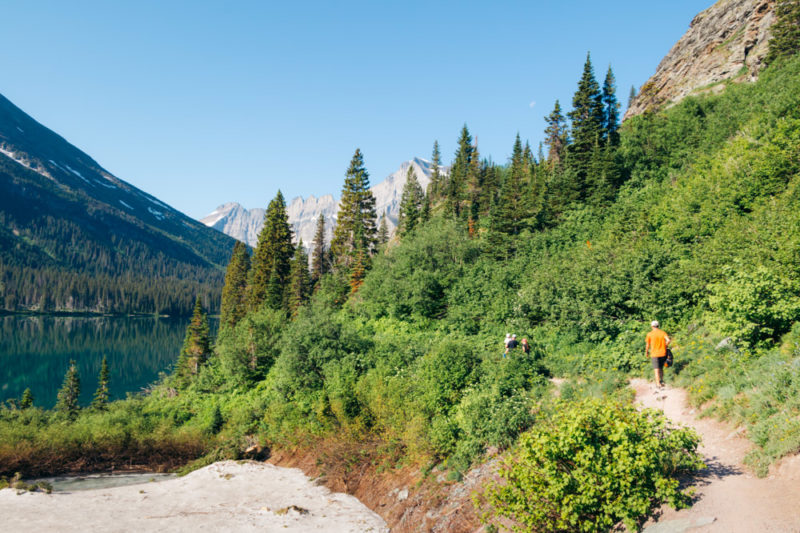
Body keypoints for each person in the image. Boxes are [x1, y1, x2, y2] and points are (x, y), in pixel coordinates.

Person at [645, 320, 671, 388]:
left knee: (656, 369)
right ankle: (662, 381)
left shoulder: (649, 334)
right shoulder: (663, 333)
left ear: (652, 326)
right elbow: (668, 340)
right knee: (661, 368)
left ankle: (658, 384)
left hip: (654, 354)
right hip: (663, 353)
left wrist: (646, 352)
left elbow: (647, 345)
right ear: (658, 326)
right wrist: (665, 345)